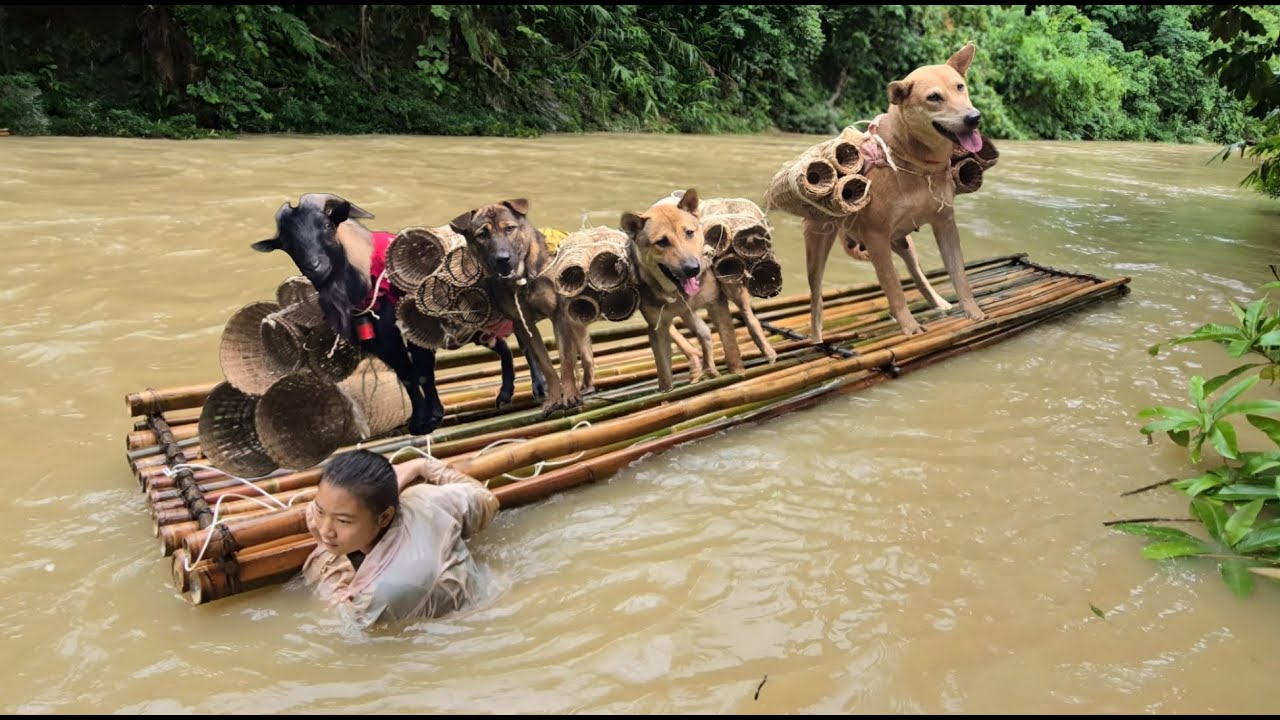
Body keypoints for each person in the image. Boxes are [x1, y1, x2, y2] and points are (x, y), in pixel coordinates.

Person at [301, 449, 499, 628]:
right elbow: (487, 499)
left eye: (343, 521)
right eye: (319, 510)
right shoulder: (426, 499)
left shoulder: (379, 594)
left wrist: (325, 549)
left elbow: (339, 624)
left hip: (457, 630)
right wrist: (421, 465)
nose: (326, 529)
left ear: (385, 516)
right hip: (490, 591)